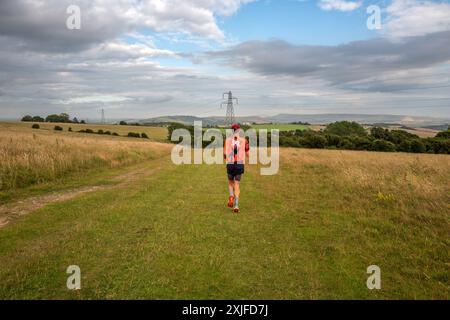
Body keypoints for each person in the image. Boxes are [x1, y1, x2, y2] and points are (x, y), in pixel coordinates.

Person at [224, 124, 249, 213]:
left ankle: (231, 196)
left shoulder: (227, 140)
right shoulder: (244, 140)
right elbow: (248, 154)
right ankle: (236, 206)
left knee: (231, 182)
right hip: (239, 164)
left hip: (230, 164)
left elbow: (225, 154)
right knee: (237, 184)